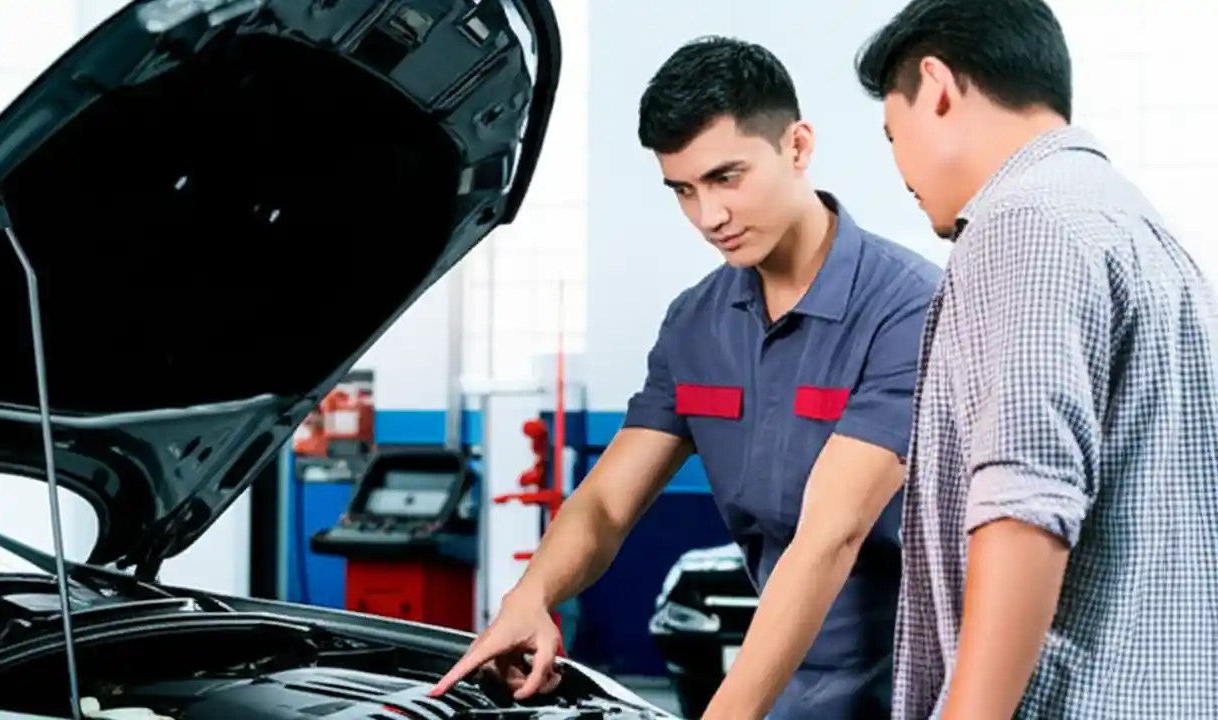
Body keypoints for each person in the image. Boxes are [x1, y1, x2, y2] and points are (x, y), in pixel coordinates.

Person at [430, 36, 940, 718]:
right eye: (683, 190)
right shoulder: (696, 324)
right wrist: (532, 596)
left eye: (727, 177)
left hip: (925, 690)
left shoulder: (910, 307)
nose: (709, 217)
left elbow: (833, 534)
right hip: (789, 684)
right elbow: (608, 502)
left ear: (797, 146)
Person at [854, 1, 1218, 718]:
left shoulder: (1025, 223)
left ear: (937, 86)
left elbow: (1025, 509)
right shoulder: (1142, 229)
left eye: (893, 133)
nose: (898, 166)